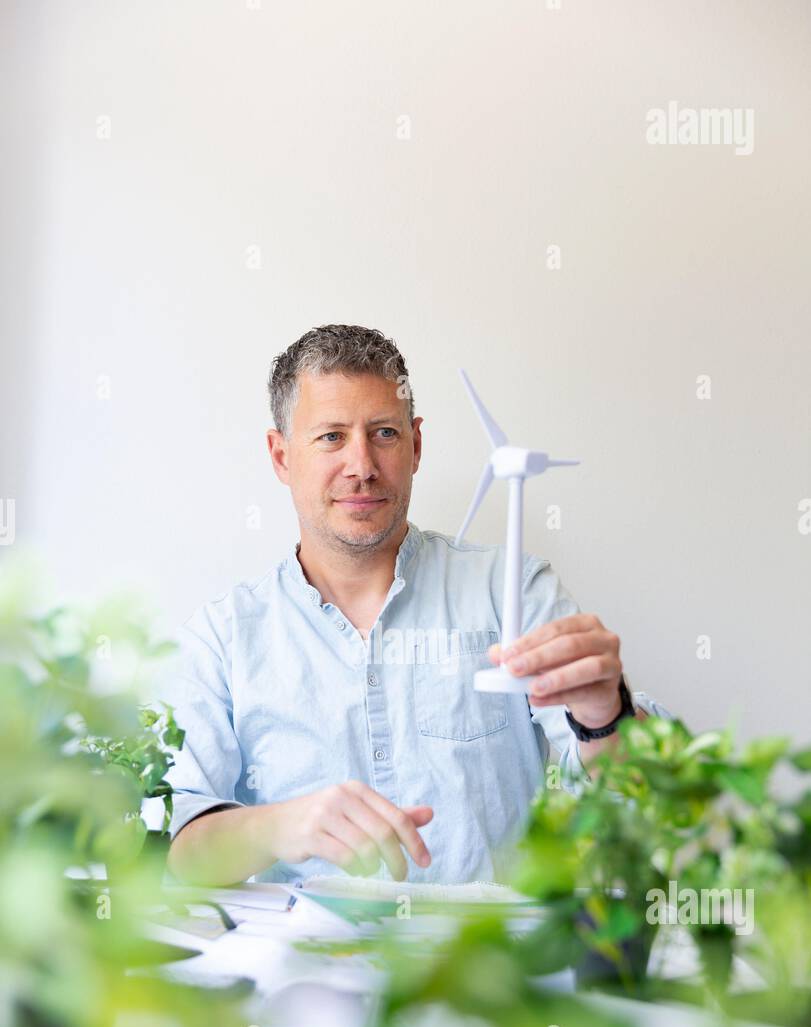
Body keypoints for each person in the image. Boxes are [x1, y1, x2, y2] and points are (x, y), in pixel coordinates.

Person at [164, 324, 672, 888]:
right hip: (304, 970)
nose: (361, 465)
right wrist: (278, 827)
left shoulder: (512, 593)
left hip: (489, 967)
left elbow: (646, 806)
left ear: (417, 446)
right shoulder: (224, 636)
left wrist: (607, 717)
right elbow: (174, 848)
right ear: (281, 456)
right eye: (331, 437)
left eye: (383, 432)